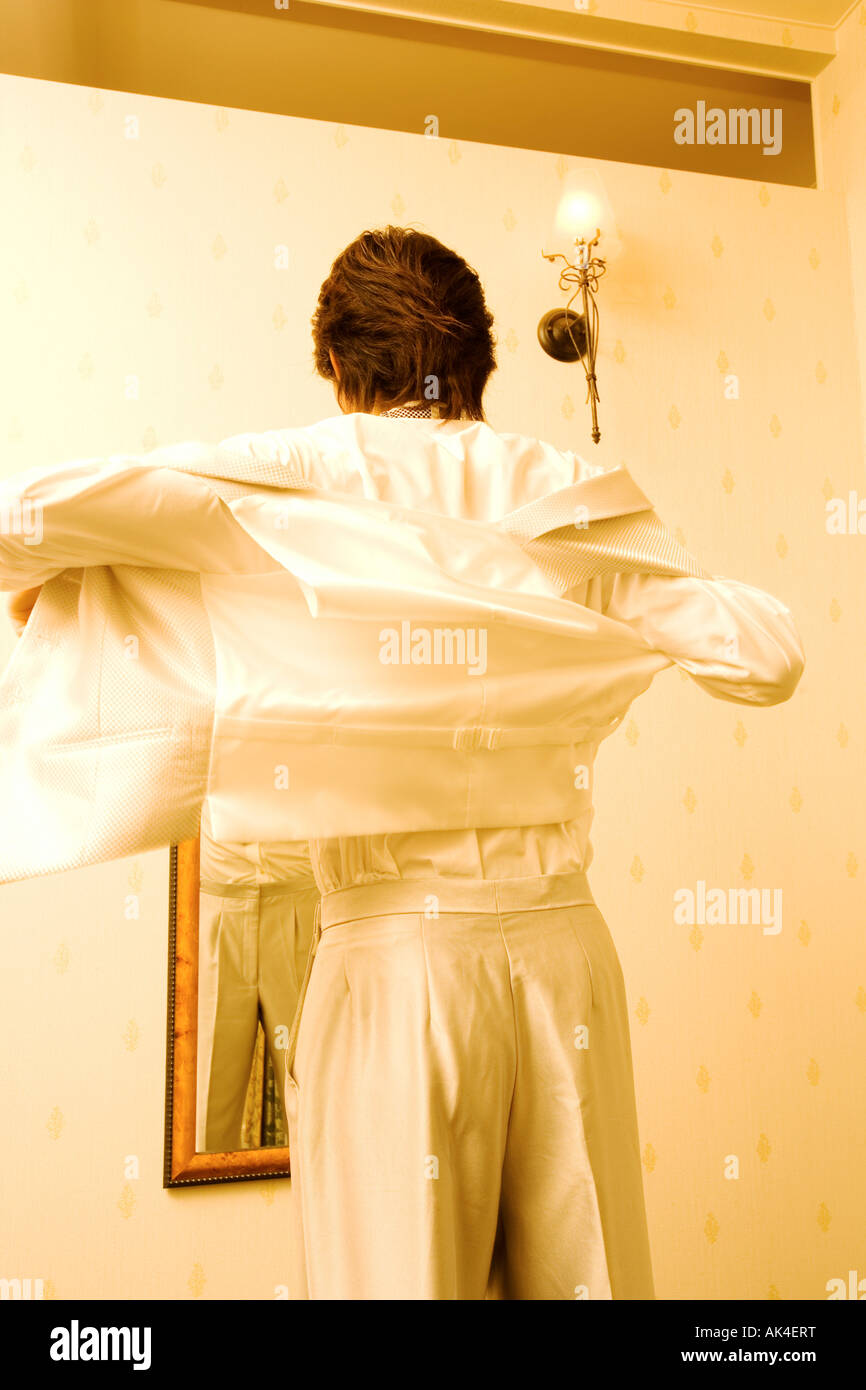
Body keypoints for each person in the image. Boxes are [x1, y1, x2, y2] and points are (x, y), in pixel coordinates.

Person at [0, 226, 804, 1301]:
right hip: (565, 956)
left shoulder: (294, 477)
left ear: (337, 370)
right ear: (478, 361)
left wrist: (85, 586)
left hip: (391, 969)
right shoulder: (563, 489)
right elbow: (764, 658)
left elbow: (19, 521)